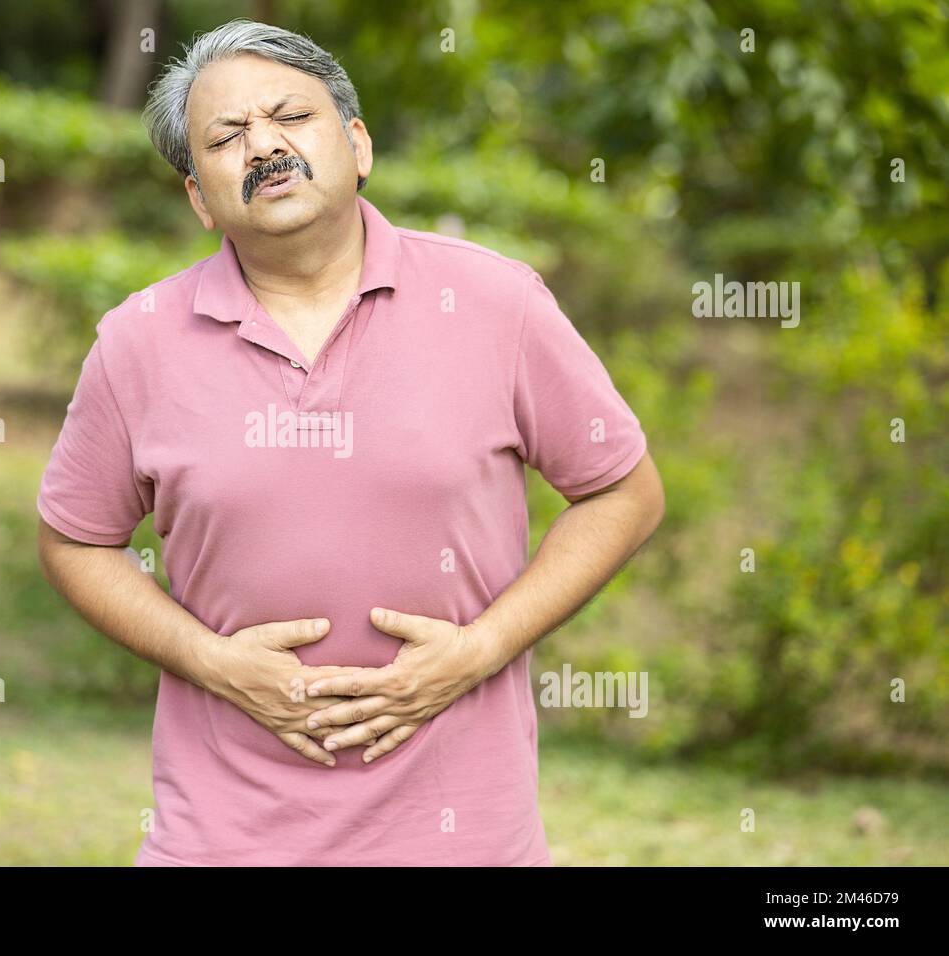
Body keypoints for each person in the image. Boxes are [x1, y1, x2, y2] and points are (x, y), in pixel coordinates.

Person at [36, 18, 665, 866]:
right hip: (222, 840)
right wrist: (210, 661)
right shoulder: (138, 341)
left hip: (462, 836)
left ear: (357, 144)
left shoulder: (494, 303)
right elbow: (76, 540)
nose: (263, 146)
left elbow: (624, 491)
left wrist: (481, 649)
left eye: (291, 116)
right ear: (198, 196)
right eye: (225, 137)